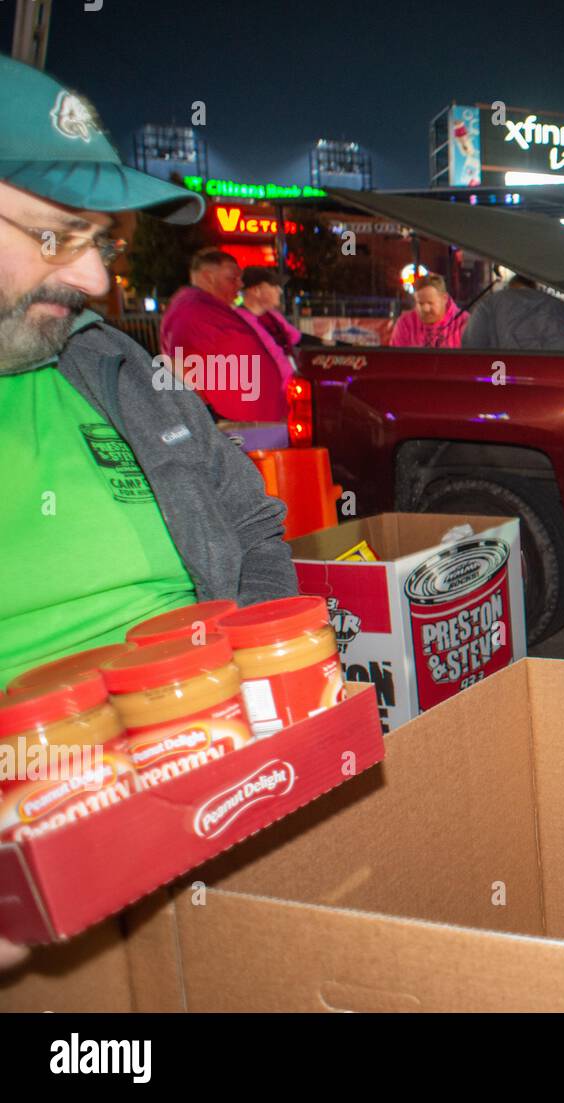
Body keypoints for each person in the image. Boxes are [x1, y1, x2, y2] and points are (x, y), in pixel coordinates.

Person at [0, 58, 299, 966]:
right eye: (58, 238)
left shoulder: (123, 372)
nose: (93, 279)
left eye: (103, 243)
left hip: (219, 794)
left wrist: (274, 706)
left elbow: (251, 527)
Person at [160, 248, 288, 420]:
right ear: (208, 277)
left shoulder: (203, 308)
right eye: (232, 279)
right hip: (233, 426)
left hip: (249, 420)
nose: (240, 285)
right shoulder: (193, 311)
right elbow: (180, 366)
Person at [461, 272, 564, 351]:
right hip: (544, 375)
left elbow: (472, 344)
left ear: (510, 286)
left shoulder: (488, 304)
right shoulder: (555, 305)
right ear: (534, 286)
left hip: (500, 374)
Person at [236, 265, 300, 393]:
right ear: (256, 290)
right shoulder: (238, 322)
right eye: (274, 286)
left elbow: (295, 337)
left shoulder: (272, 316)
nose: (280, 291)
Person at [389, 273, 468, 349]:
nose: (425, 309)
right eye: (420, 303)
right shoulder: (405, 323)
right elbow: (393, 359)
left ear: (444, 299)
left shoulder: (464, 322)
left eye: (430, 303)